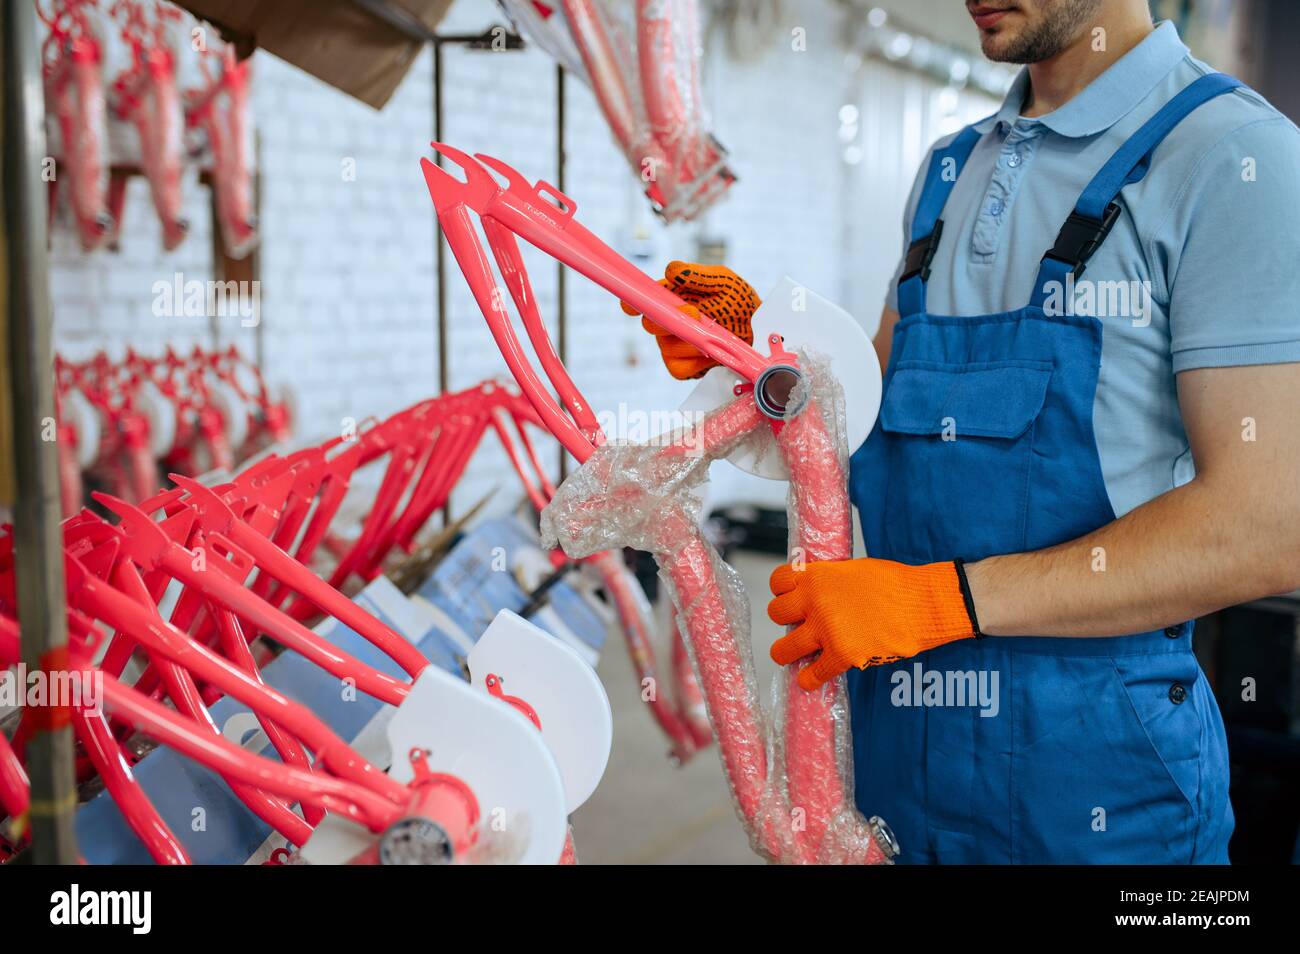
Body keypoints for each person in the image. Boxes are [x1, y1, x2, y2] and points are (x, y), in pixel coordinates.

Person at [624, 0, 1300, 863]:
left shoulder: (1232, 158)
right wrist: (748, 359)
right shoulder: (949, 168)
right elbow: (853, 419)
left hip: (1095, 791)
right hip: (898, 763)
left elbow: (1268, 526)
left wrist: (941, 603)